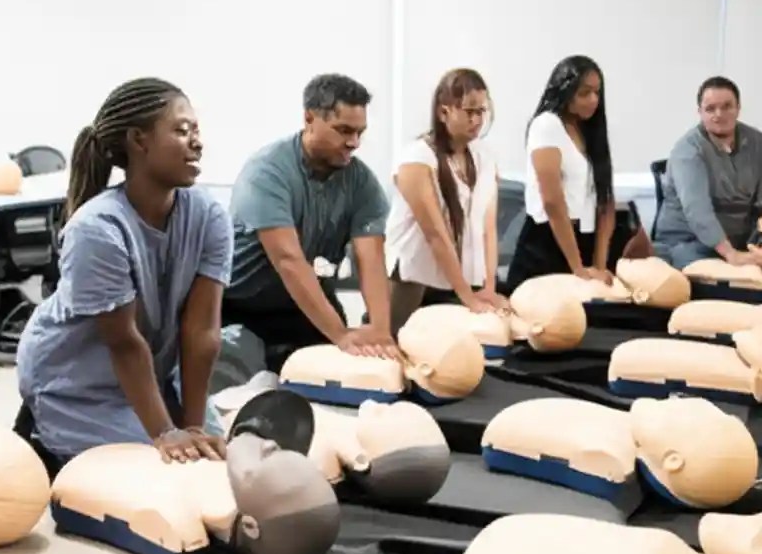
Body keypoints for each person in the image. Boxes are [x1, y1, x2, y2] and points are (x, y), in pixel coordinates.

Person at [13, 77, 232, 479]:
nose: (197, 142)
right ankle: (42, 435)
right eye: (182, 131)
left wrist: (194, 427)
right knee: (170, 471)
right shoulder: (97, 228)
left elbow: (201, 333)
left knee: (216, 460)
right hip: (77, 386)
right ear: (138, 140)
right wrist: (166, 432)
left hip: (152, 374)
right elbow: (124, 342)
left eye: (197, 131)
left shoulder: (209, 216)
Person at [222, 73, 399, 368]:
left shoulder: (361, 181)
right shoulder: (267, 172)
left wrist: (381, 330)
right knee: (242, 379)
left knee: (348, 368)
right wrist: (341, 335)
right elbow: (289, 260)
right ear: (309, 118)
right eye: (343, 130)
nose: (354, 142)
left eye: (359, 132)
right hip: (239, 305)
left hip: (305, 301)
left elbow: (371, 258)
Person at [385, 69, 506, 335]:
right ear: (444, 112)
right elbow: (435, 234)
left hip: (457, 277)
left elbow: (488, 228)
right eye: (468, 111)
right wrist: (468, 297)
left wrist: (488, 287)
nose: (476, 120)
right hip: (411, 277)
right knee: (397, 345)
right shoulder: (416, 158)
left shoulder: (485, 157)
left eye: (481, 112)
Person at [506, 56, 625, 291]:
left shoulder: (590, 131)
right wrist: (577, 268)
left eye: (597, 93)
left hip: (584, 239)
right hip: (548, 242)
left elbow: (605, 200)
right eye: (584, 93)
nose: (593, 100)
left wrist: (599, 265)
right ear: (564, 91)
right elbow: (552, 202)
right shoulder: (547, 125)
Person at [653, 76, 762, 268]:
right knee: (734, 282)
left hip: (741, 242)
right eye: (710, 108)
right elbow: (698, 212)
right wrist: (732, 255)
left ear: (738, 108)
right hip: (691, 243)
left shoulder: (757, 142)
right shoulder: (687, 151)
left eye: (727, 106)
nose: (719, 114)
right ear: (700, 112)